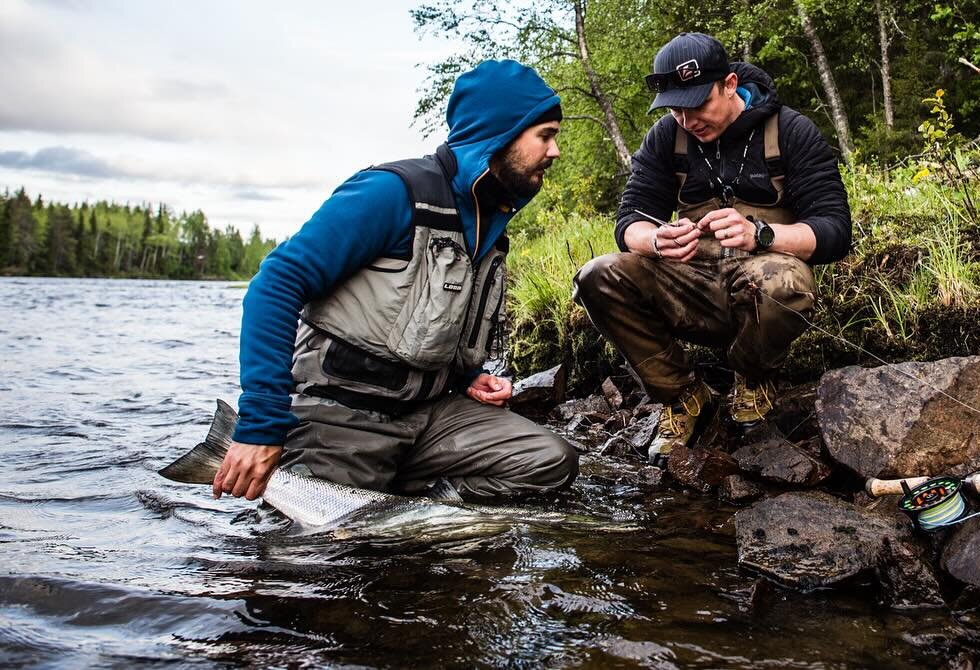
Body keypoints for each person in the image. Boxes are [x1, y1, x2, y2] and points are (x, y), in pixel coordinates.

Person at [212, 60, 579, 502]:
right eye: (546, 135)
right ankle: (359, 495)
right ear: (501, 134)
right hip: (340, 415)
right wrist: (260, 425)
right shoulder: (390, 193)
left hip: (427, 416)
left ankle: (401, 504)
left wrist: (468, 377)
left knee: (549, 460)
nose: (555, 151)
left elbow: (424, 321)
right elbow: (275, 285)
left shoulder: (492, 223)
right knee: (317, 561)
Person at [573, 33, 852, 463]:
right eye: (675, 108)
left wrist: (761, 235)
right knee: (598, 274)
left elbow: (835, 230)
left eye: (697, 104)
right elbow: (629, 220)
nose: (686, 119)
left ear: (729, 84)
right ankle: (683, 395)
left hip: (764, 286)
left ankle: (753, 377)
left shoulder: (791, 130)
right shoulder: (666, 138)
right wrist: (654, 239)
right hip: (690, 284)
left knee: (782, 281)